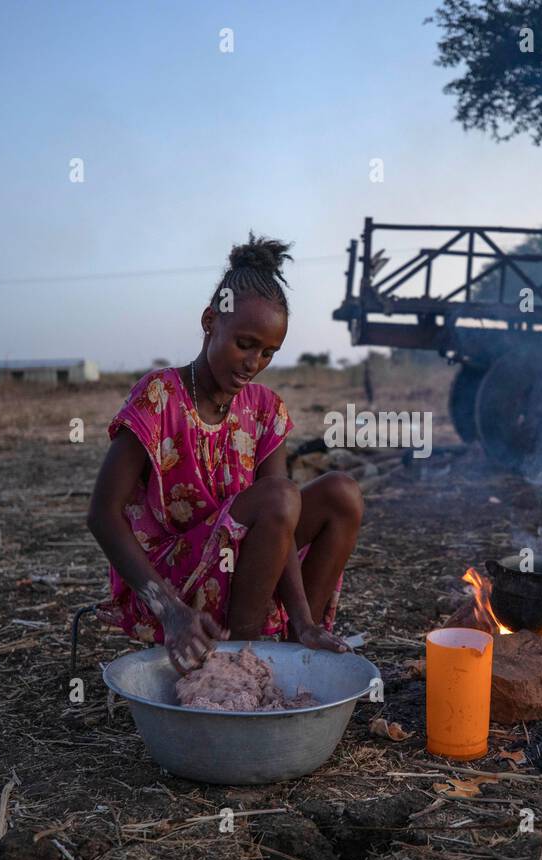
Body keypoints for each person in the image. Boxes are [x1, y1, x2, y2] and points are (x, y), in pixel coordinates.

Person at [87, 233, 363, 675]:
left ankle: (293, 648)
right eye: (245, 343)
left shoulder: (265, 409)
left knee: (342, 493)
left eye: (268, 352)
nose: (254, 362)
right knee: (279, 496)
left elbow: (283, 520)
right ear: (210, 321)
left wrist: (305, 619)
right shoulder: (160, 396)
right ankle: (238, 664)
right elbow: (102, 514)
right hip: (173, 583)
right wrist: (168, 608)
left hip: (244, 569)